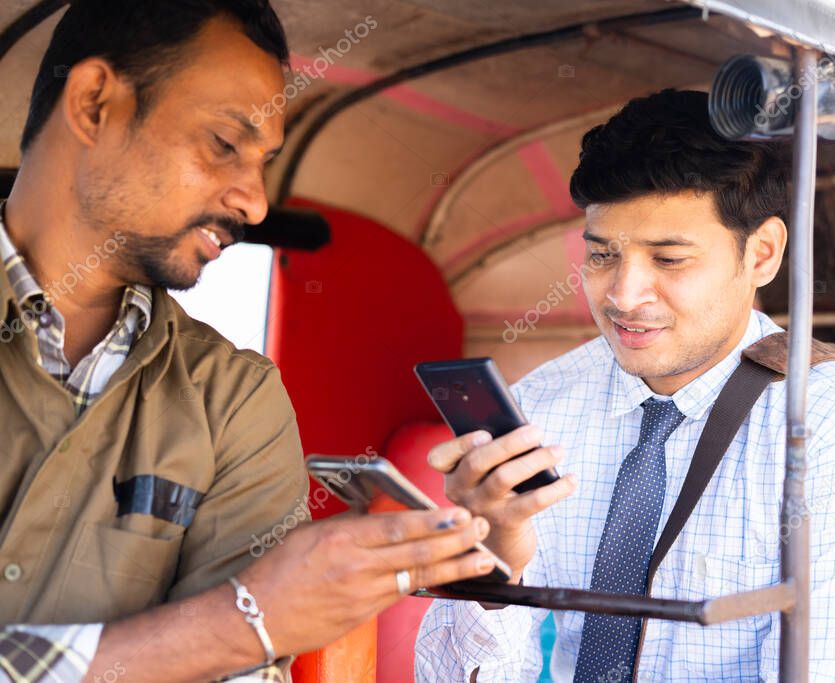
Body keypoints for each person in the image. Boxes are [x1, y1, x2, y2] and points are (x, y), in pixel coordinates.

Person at [0, 2, 496, 682]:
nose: (256, 203)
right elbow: (241, 635)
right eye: (224, 144)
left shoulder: (238, 401)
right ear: (93, 105)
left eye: (264, 162)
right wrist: (238, 621)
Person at [415, 89, 835, 681]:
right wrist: (497, 560)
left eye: (669, 260)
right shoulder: (542, 403)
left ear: (763, 254)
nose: (623, 296)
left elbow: (833, 671)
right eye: (602, 256)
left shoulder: (826, 418)